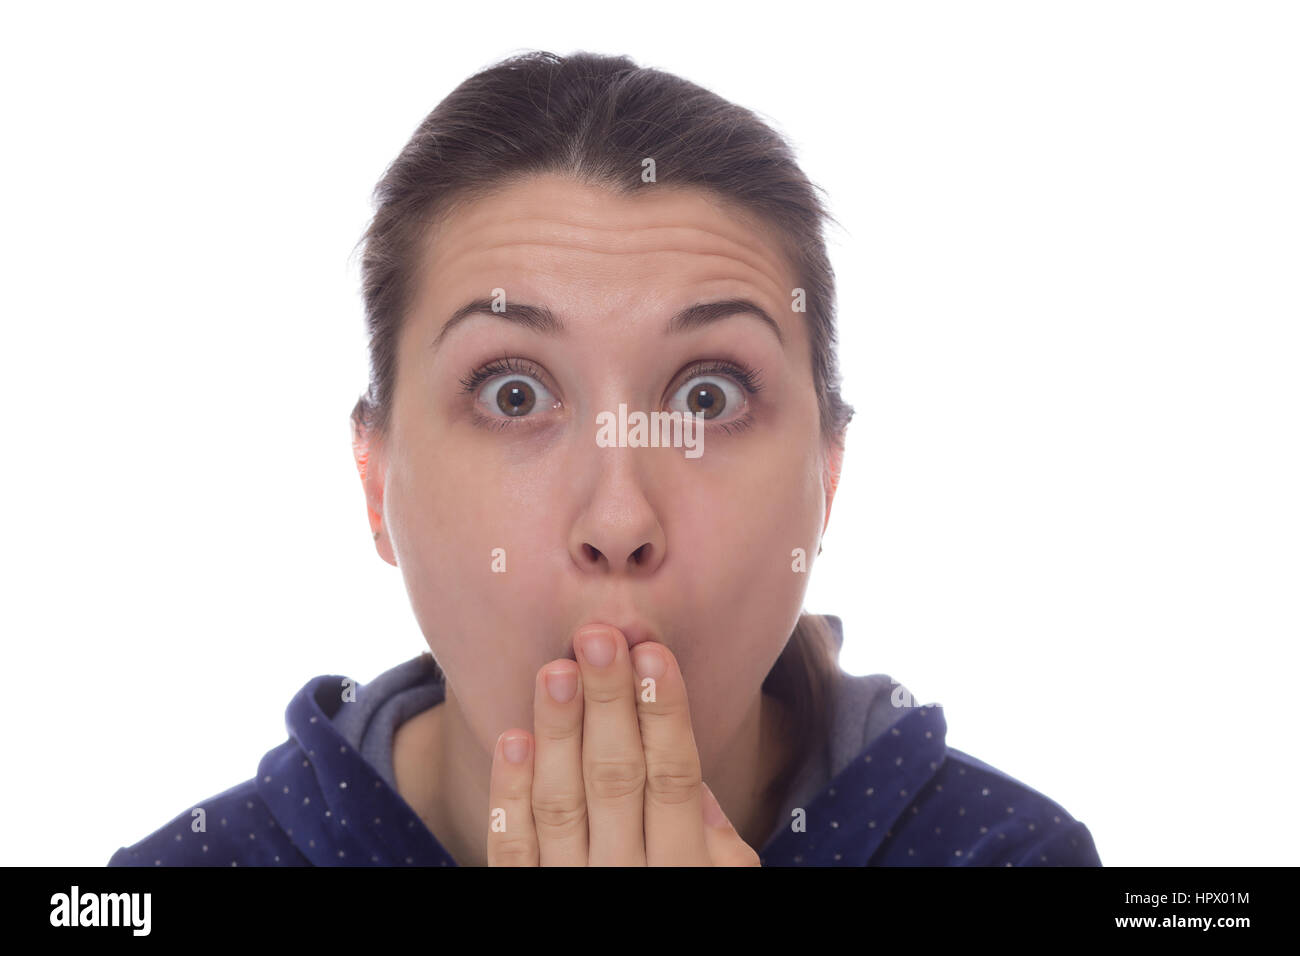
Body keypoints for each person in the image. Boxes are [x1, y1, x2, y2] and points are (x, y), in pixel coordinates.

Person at [108, 49, 1101, 867]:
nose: (619, 519)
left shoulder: (1011, 856)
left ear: (826, 480)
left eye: (707, 396)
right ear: (375, 482)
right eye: (513, 393)